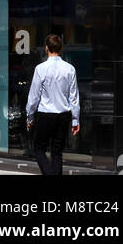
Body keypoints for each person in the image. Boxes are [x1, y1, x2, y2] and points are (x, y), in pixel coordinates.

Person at [26, 33, 80, 177]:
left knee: (39, 148)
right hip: (63, 115)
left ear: (46, 48)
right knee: (57, 152)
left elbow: (34, 96)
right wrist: (75, 119)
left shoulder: (41, 69)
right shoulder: (70, 69)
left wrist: (29, 117)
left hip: (45, 114)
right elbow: (73, 97)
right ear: (61, 49)